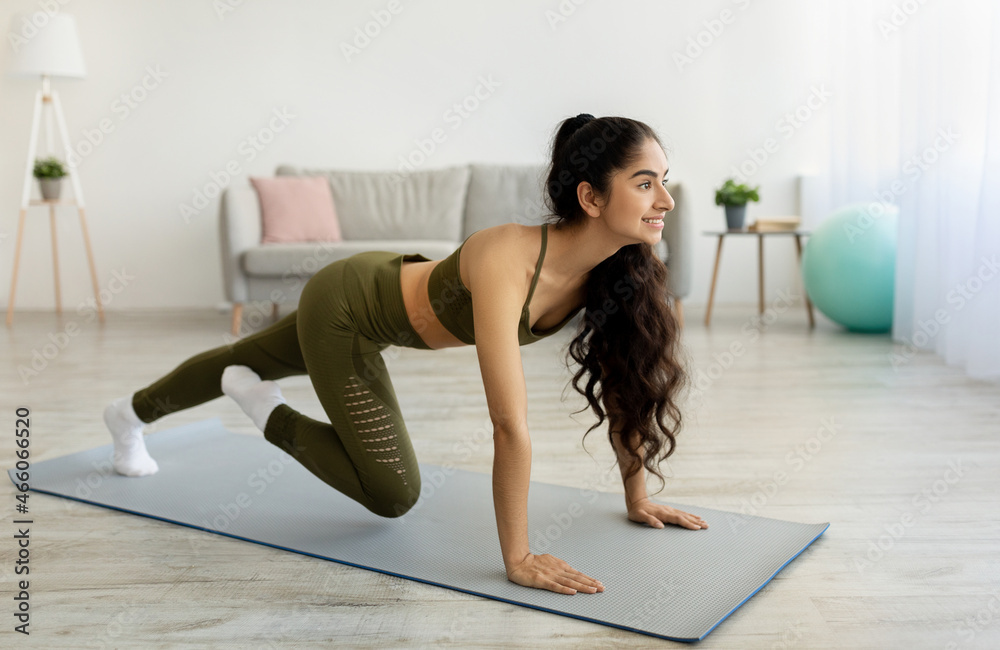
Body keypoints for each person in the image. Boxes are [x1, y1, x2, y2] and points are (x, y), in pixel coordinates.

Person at [102, 113, 706, 597]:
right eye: (645, 182)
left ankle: (127, 418)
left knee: (243, 355)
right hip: (346, 306)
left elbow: (625, 383)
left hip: (380, 312)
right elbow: (507, 423)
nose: (666, 200)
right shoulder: (507, 257)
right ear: (591, 198)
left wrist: (637, 497)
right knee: (393, 494)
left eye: (663, 179)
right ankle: (265, 409)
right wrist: (517, 556)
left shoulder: (615, 274)